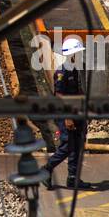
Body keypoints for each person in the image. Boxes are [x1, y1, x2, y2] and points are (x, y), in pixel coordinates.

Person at [44, 38, 89, 190]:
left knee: (76, 145)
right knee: (68, 146)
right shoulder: (62, 72)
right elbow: (60, 96)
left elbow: (77, 91)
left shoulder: (74, 69)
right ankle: (47, 168)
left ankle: (73, 178)